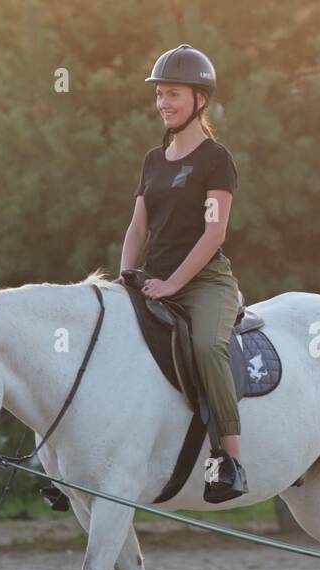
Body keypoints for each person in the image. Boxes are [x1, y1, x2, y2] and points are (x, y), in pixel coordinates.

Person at [117, 43, 247, 503]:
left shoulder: (216, 159)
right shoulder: (153, 160)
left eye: (173, 94)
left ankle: (229, 460)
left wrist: (174, 284)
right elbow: (138, 227)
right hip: (152, 280)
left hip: (205, 282)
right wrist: (124, 276)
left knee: (208, 347)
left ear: (200, 99)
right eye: (159, 95)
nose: (163, 104)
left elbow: (214, 233)